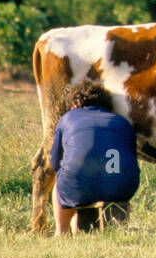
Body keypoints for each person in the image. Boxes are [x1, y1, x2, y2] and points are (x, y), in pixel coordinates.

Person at [48, 81, 139, 235]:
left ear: (75, 105)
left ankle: (62, 232)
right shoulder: (122, 122)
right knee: (109, 173)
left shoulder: (68, 118)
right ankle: (115, 224)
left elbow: (55, 162)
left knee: (60, 184)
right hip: (121, 189)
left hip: (78, 187)